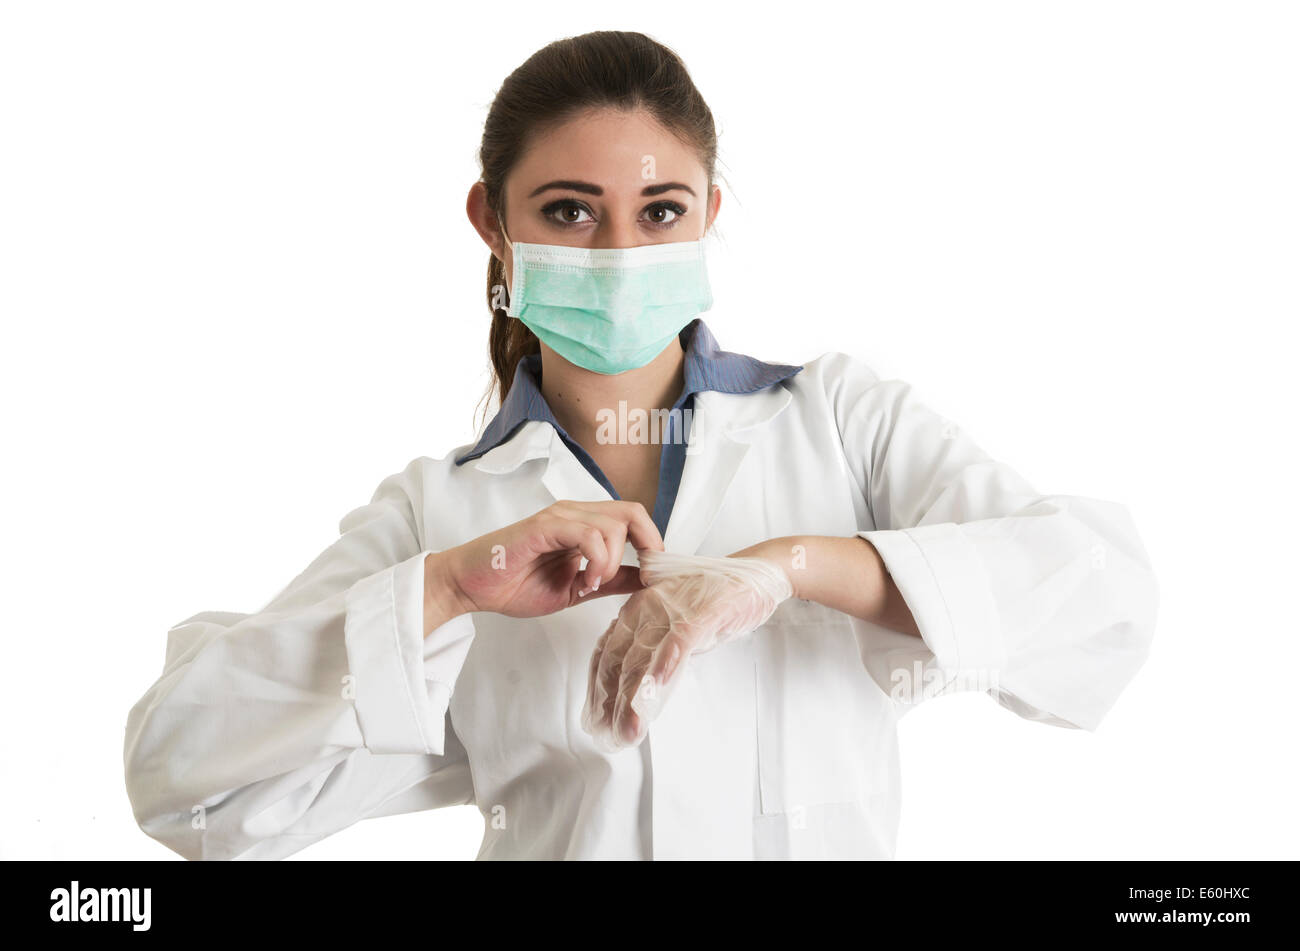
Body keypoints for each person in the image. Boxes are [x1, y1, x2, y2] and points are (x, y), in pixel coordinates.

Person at [123, 30, 1159, 860]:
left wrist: (788, 569)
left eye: (659, 209)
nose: (619, 253)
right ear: (494, 223)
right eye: (569, 211)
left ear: (707, 212)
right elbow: (183, 783)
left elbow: (1103, 597)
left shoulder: (842, 423)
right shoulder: (439, 516)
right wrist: (444, 591)